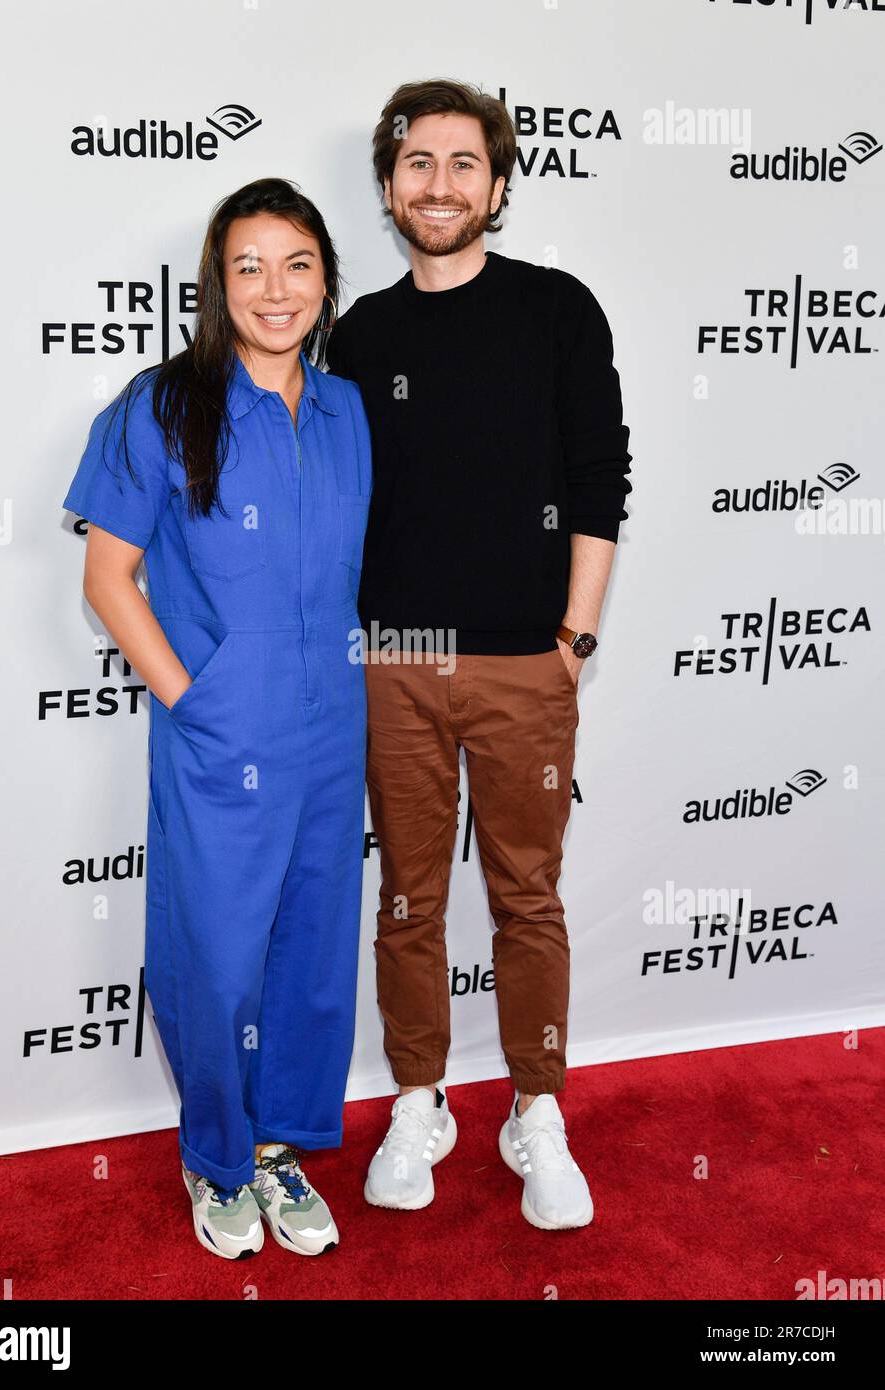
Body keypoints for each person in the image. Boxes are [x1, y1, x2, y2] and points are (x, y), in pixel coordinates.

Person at [325, 79, 632, 1230]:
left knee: (527, 898)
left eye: (463, 163)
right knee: (408, 899)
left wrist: (572, 642)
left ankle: (535, 1110)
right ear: (390, 187)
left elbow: (601, 480)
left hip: (524, 662)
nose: (439, 183)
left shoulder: (558, 309)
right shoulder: (358, 335)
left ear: (497, 185)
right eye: (418, 164)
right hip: (395, 659)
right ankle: (420, 1100)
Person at [62, 178, 372, 1259]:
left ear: (326, 279)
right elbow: (109, 578)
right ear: (216, 282)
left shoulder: (346, 411)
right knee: (219, 958)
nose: (274, 288)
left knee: (310, 955)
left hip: (333, 732)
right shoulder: (159, 405)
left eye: (296, 264)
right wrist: (195, 698)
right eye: (249, 266)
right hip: (219, 738)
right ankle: (217, 1160)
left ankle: (280, 1151)